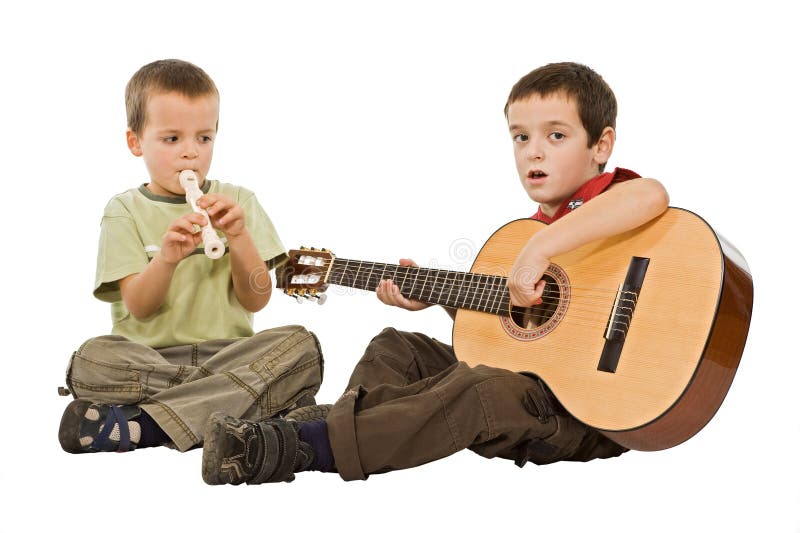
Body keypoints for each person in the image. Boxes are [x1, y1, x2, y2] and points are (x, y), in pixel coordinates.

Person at [200, 62, 669, 484]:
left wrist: (538, 249)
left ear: (601, 145)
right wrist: (441, 296)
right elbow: (516, 339)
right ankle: (329, 426)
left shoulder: (604, 207)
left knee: (476, 387)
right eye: (520, 137)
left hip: (589, 413)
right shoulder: (529, 234)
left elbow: (651, 195)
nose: (534, 153)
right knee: (396, 346)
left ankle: (302, 445)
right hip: (531, 387)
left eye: (556, 136)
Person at [58, 59, 323, 454]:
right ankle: (247, 401)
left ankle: (143, 425)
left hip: (233, 353)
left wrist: (239, 236)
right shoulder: (124, 210)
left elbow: (257, 299)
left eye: (204, 138)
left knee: (301, 347)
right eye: (172, 139)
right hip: (151, 359)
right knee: (91, 360)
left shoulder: (239, 202)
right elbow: (140, 307)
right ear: (136, 142)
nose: (191, 155)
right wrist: (165, 260)